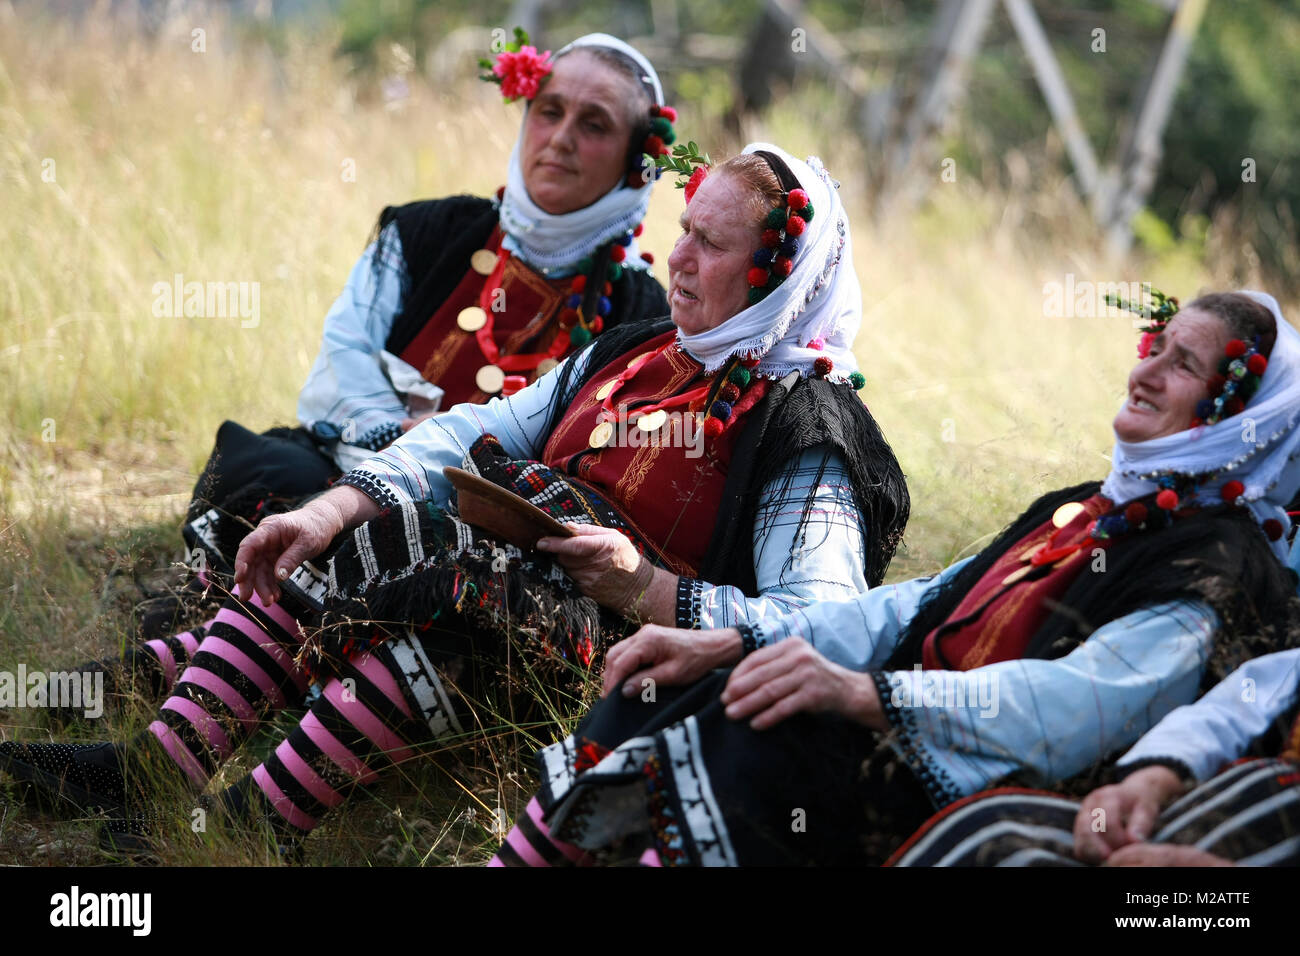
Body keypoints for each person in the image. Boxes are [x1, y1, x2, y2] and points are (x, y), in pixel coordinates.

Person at [0, 144, 910, 856]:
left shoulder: (807, 428)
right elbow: (475, 430)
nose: (678, 260)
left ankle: (247, 818)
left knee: (465, 585)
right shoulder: (636, 351)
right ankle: (166, 769)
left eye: (712, 245)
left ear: (778, 274)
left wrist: (646, 588)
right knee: (392, 529)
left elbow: (821, 622)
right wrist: (331, 508)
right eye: (683, 230)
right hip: (506, 595)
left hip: (624, 654)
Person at [490, 290, 1300, 867]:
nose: (1146, 374)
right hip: (902, 718)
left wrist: (864, 697)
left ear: (1242, 418)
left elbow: (1078, 706)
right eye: (1152, 349)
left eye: (1185, 366)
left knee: (771, 737)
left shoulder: (1221, 564)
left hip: (980, 771)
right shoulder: (1086, 507)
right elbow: (915, 606)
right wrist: (730, 639)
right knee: (675, 683)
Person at [85, 32, 673, 702]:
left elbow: (580, 457)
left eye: (594, 125)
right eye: (549, 110)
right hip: (347, 456)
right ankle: (259, 658)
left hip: (476, 515)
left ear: (635, 162)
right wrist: (387, 457)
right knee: (276, 475)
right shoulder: (426, 231)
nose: (561, 137)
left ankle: (187, 663)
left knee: (429, 555)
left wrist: (435, 481)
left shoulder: (640, 314)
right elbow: (344, 359)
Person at [889, 536, 1300, 867]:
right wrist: (1148, 781)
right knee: (992, 834)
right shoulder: (1115, 518)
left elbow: (1070, 704)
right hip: (1178, 819)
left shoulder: (1221, 553)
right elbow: (1237, 707)